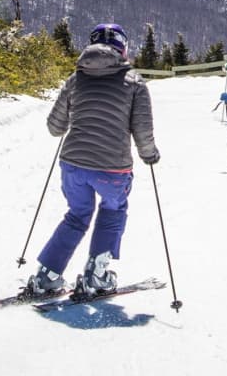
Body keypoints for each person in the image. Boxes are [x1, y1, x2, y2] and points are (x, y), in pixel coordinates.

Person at [27, 22, 160, 298]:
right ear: (123, 47)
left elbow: (55, 128)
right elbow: (142, 131)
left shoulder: (76, 79)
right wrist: (149, 154)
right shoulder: (134, 82)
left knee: (76, 216)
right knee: (113, 211)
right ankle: (97, 275)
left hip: (73, 164)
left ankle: (47, 276)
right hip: (113, 168)